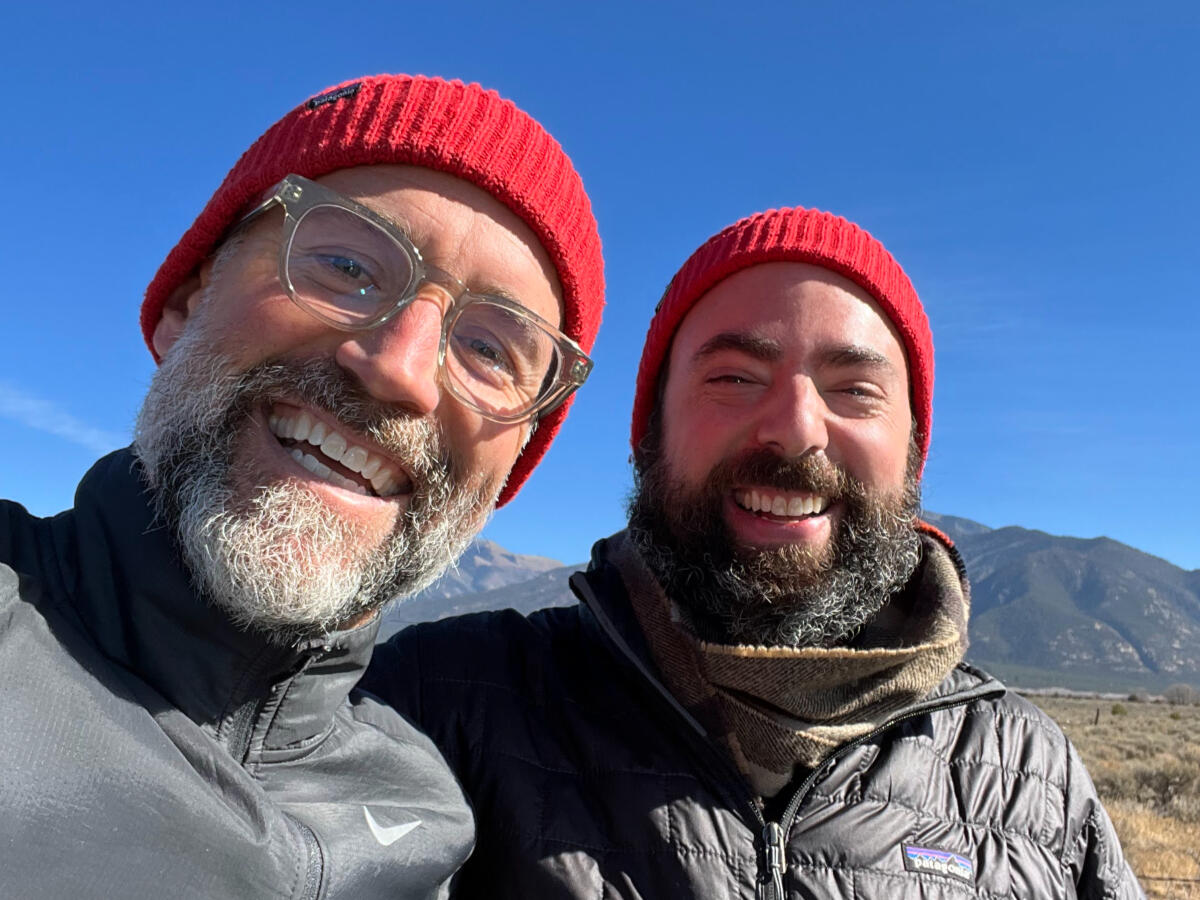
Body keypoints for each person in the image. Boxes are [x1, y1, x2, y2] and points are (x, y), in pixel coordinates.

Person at [365, 207, 1142, 898]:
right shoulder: (443, 707)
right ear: (650, 435)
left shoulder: (1029, 776)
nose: (797, 428)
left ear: (913, 453)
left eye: (854, 390)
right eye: (735, 377)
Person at [0, 73, 603, 899]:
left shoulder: (427, 816)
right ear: (184, 301)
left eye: (493, 351)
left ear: (510, 470)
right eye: (347, 263)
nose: (400, 369)